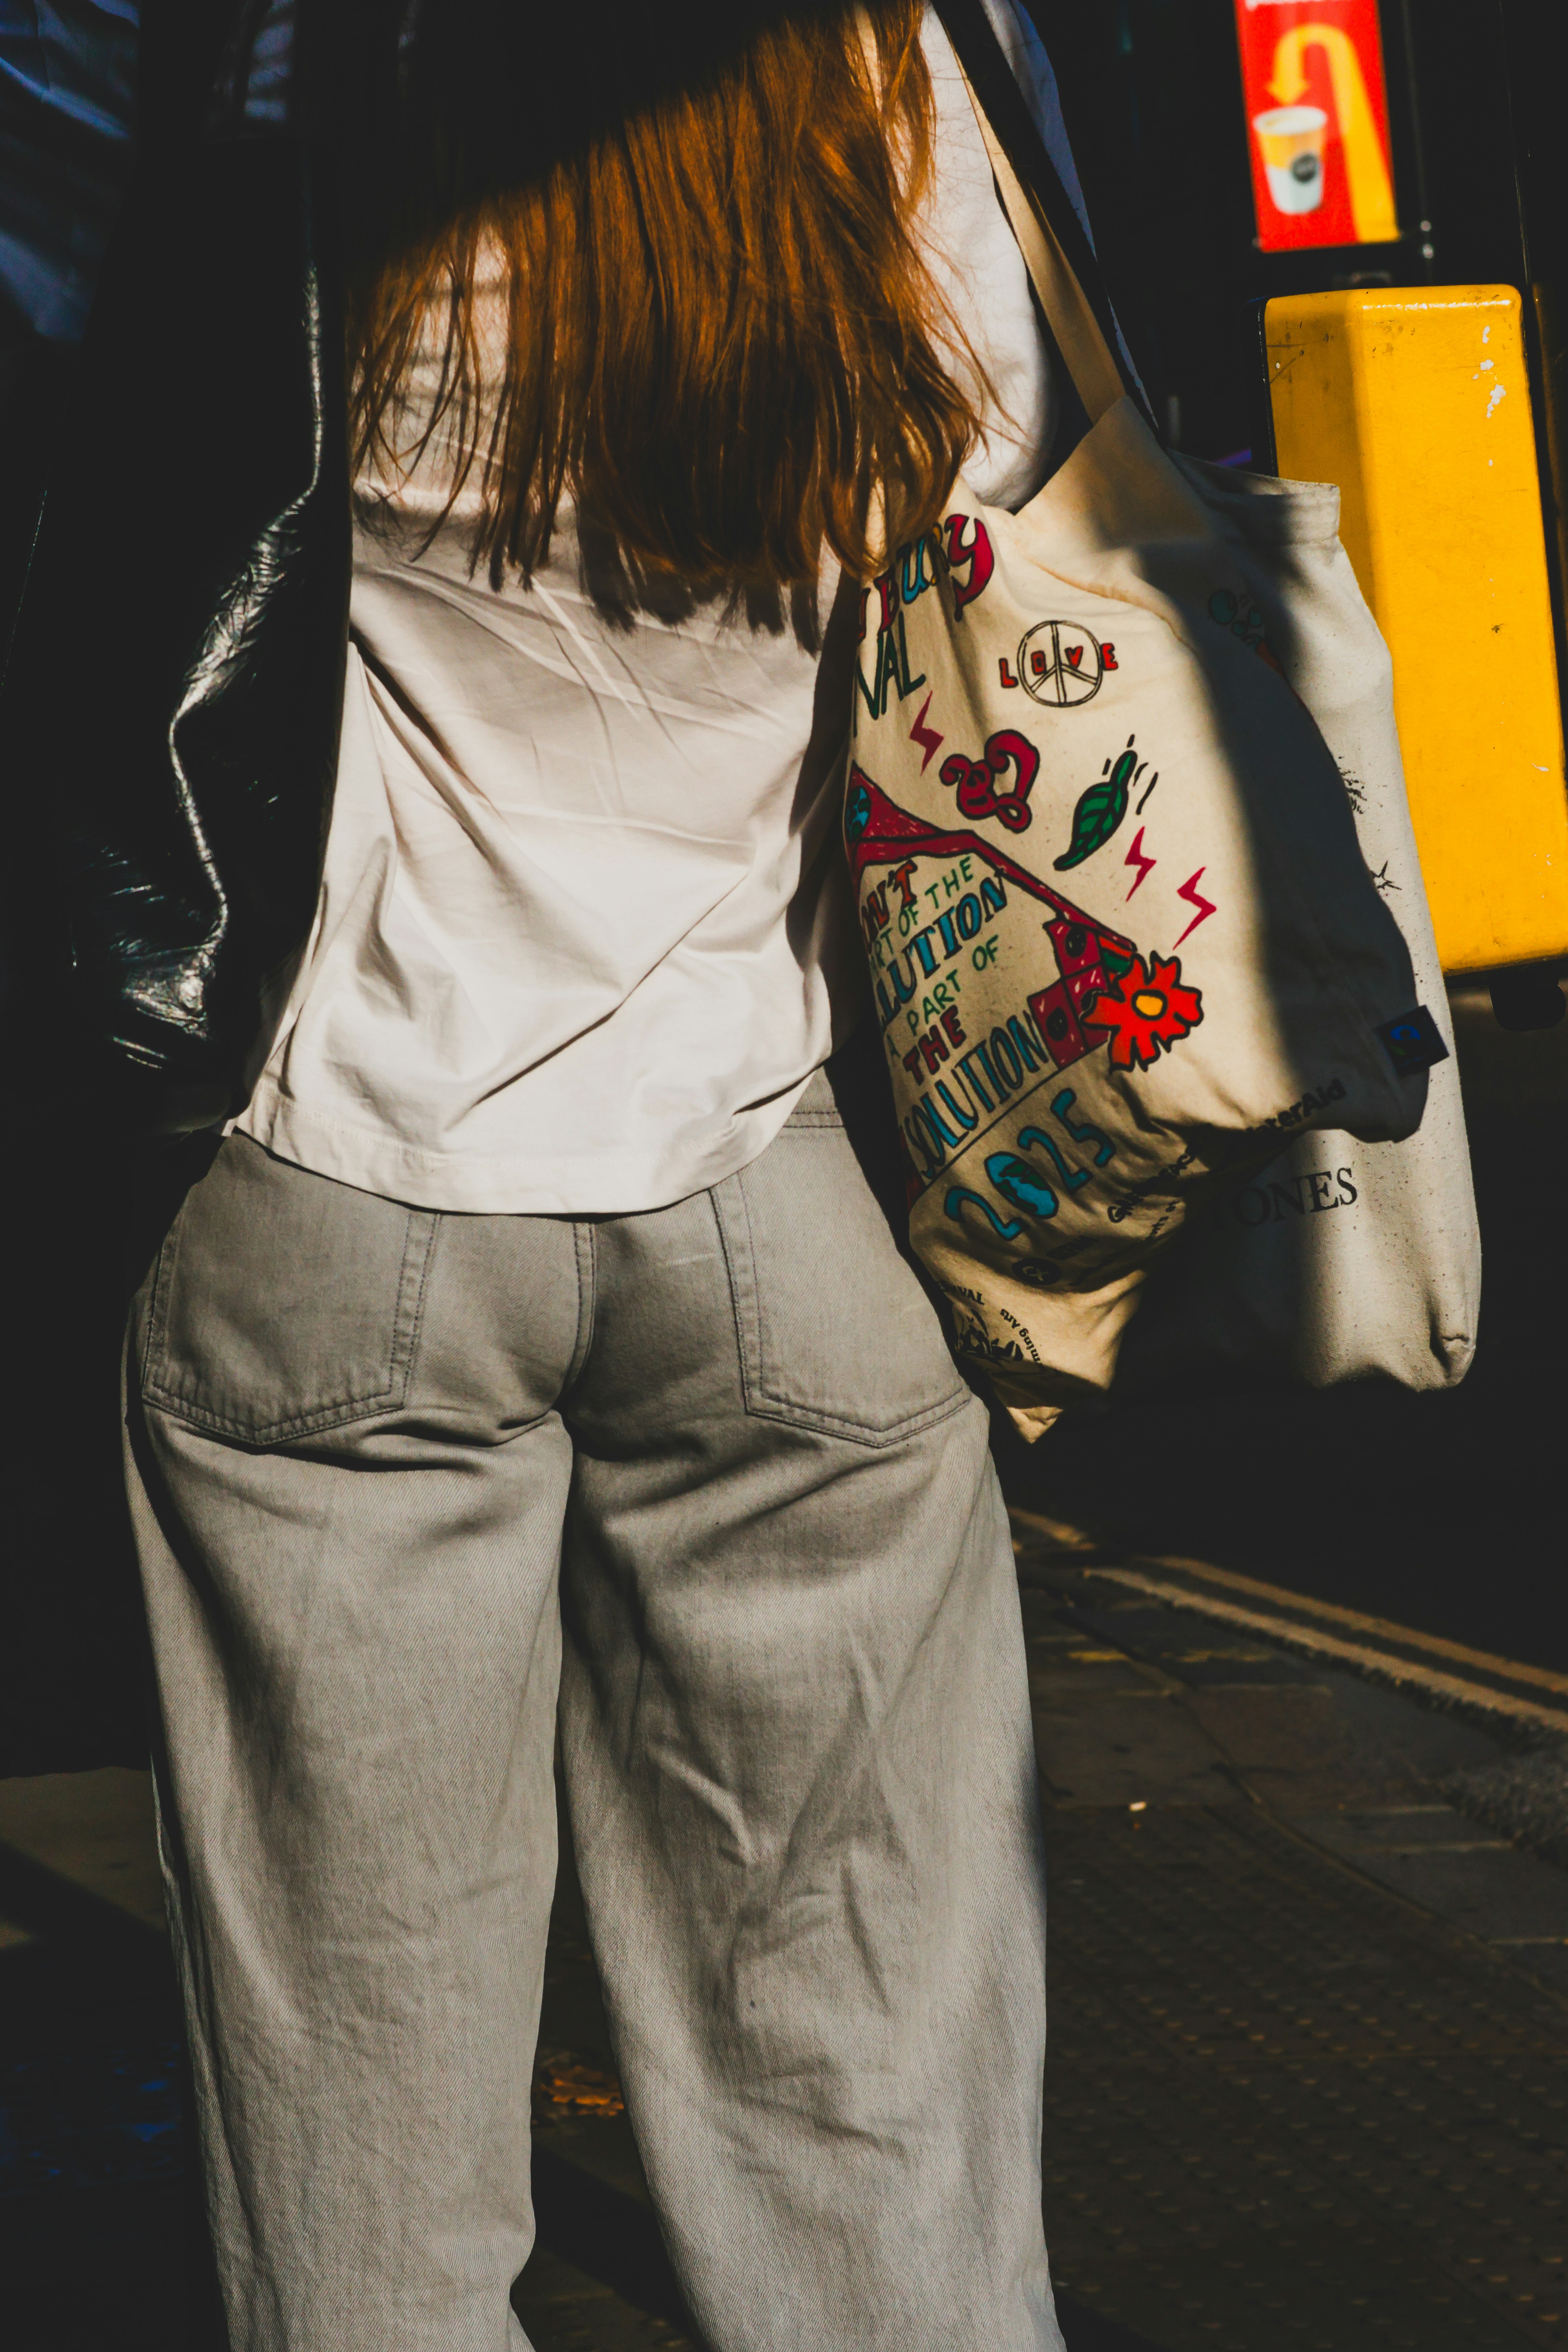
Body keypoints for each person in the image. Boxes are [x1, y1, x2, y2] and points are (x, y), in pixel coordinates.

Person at [90, 1, 1087, 2342]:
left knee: (357, 2117)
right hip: (785, 1169)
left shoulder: (288, 90)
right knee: (874, 2106)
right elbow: (1021, 508)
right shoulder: (893, 86)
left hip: (338, 1175)